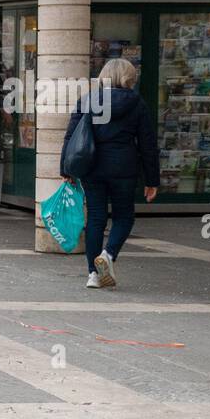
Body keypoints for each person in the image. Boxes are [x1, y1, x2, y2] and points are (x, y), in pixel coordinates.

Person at [61, 57, 159, 290]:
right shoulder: (137, 104)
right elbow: (147, 143)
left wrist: (65, 169)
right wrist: (152, 179)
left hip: (91, 166)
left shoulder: (87, 100)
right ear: (129, 78)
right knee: (124, 216)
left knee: (95, 217)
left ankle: (93, 275)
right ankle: (109, 254)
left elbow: (71, 136)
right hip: (123, 167)